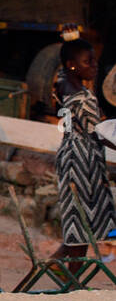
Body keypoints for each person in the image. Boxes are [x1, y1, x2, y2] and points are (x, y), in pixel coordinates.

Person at [51, 38, 116, 260]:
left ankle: (66, 271)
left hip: (73, 154)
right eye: (88, 62)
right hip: (81, 160)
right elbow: (98, 132)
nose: (95, 66)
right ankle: (66, 273)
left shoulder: (64, 83)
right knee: (82, 221)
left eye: (94, 61)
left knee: (80, 220)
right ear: (72, 65)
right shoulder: (81, 97)